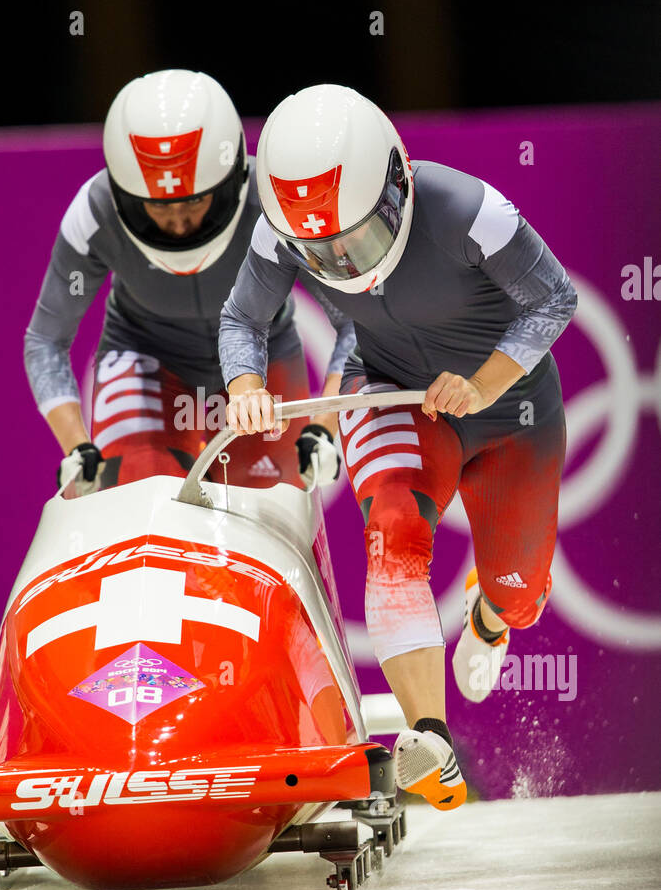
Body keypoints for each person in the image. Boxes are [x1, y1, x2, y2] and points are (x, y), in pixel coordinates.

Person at [220, 84, 577, 811]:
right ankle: (431, 740)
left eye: (360, 237)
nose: (346, 260)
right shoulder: (276, 229)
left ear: (398, 181)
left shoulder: (471, 212)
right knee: (393, 531)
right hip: (389, 392)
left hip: (513, 409)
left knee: (521, 597)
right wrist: (244, 383)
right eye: (322, 250)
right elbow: (239, 320)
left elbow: (555, 299)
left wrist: (483, 383)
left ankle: (489, 611)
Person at [24, 69, 351, 494]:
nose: (178, 222)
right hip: (146, 367)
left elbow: (353, 323)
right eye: (157, 207)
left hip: (260, 373)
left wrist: (325, 426)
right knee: (143, 504)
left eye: (195, 199)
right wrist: (77, 447)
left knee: (267, 516)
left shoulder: (275, 203)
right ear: (124, 192)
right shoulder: (93, 213)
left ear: (231, 178)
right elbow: (46, 340)